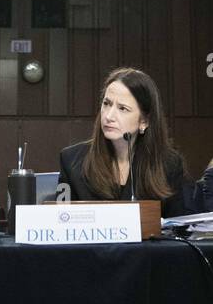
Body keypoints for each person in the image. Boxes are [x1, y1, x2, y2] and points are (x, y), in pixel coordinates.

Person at [57, 67, 187, 216]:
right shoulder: (72, 160)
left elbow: (178, 226)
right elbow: (61, 220)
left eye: (122, 108)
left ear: (144, 121)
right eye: (106, 104)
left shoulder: (168, 164)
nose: (109, 116)